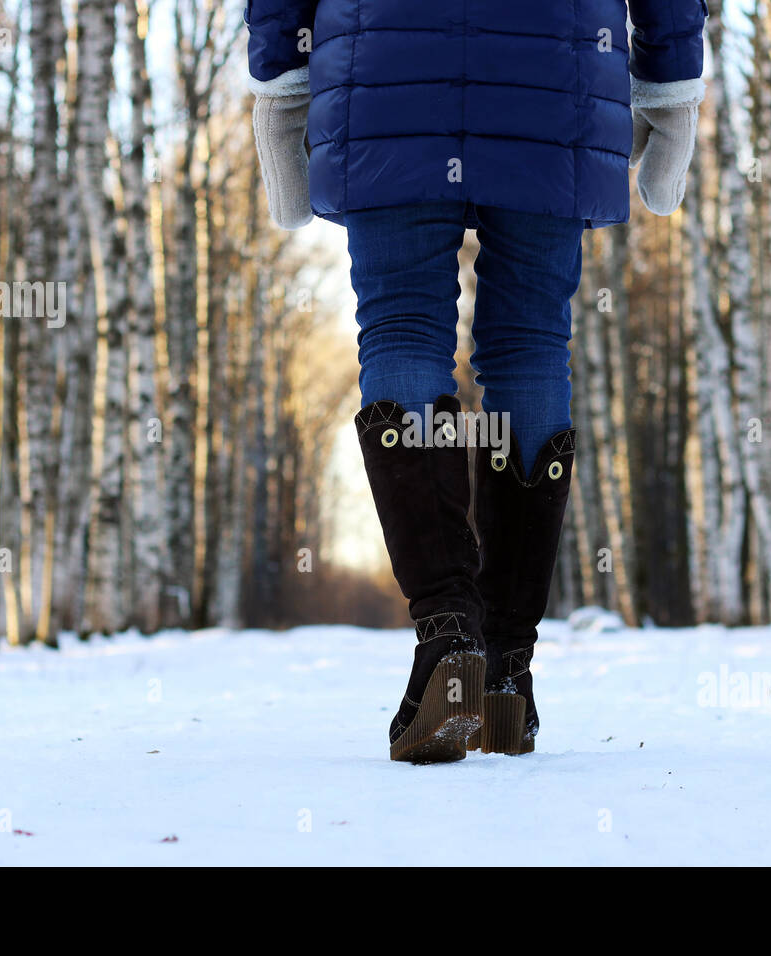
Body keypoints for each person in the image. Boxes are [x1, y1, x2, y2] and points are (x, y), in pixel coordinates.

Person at [246, 0, 707, 762]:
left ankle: (447, 635)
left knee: (401, 330)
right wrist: (671, 76)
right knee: (530, 344)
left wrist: (281, 76)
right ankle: (506, 676)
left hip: (386, 62)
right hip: (555, 69)